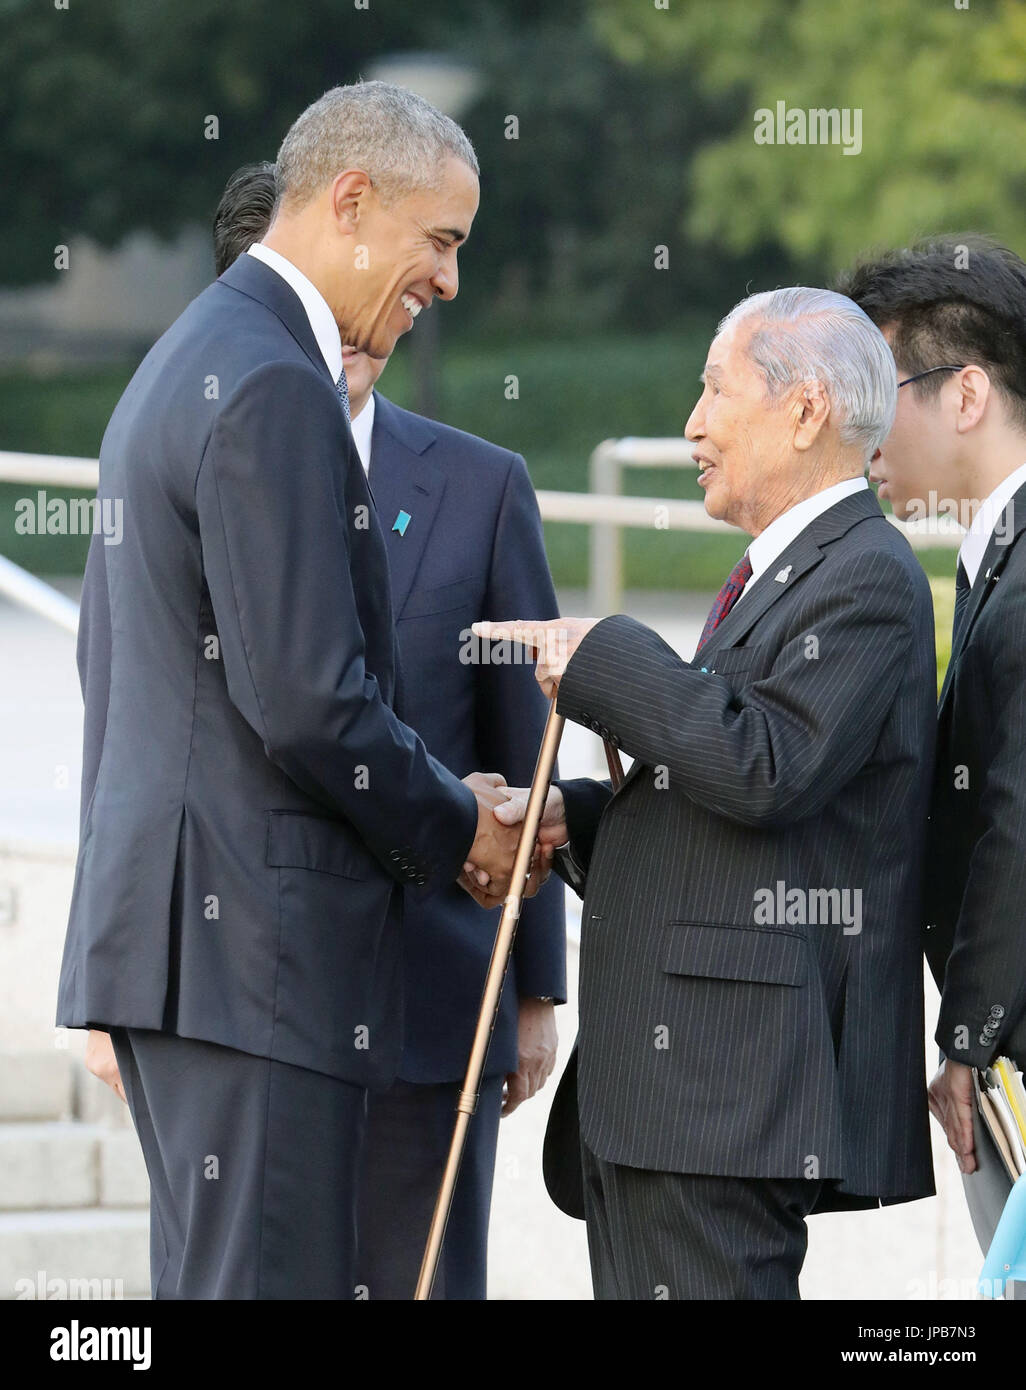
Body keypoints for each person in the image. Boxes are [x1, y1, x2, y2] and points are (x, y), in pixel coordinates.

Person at [57, 81, 539, 1300]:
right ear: (352, 200)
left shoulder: (202, 355)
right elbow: (313, 704)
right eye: (444, 241)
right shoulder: (271, 383)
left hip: (202, 959)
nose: (449, 282)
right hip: (256, 961)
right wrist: (463, 826)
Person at [479, 287, 937, 1299]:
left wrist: (607, 657)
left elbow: (767, 765)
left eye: (714, 387)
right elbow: (723, 802)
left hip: (723, 1093)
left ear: (806, 409)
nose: (692, 423)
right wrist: (576, 822)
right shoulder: (789, 572)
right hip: (679, 1092)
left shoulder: (862, 575)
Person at [839, 238, 1026, 1207]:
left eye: (877, 398)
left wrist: (967, 1034)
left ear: (964, 395)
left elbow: (1018, 823)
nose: (861, 437)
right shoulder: (991, 550)